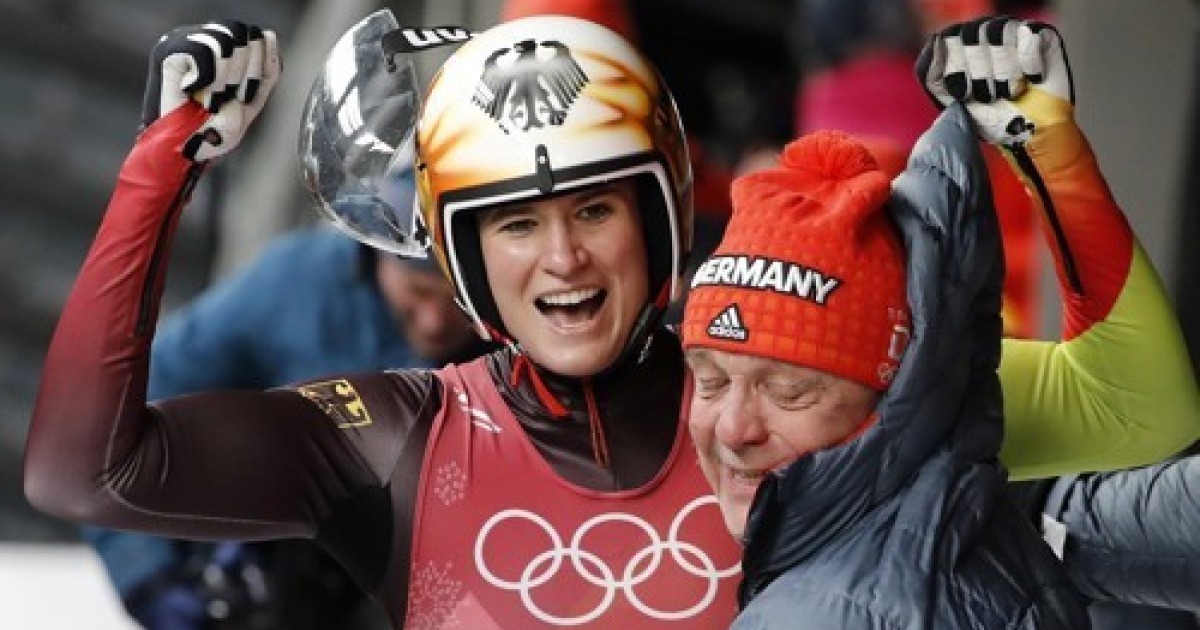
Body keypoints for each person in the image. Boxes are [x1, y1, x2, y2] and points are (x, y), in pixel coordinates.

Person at [22, 14, 1198, 629]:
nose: (565, 257)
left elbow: (1133, 413)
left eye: (594, 208)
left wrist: (1049, 147)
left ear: (661, 211)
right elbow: (88, 472)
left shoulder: (781, 364)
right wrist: (156, 174)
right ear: (465, 255)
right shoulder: (398, 436)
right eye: (515, 224)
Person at [681, 112, 1087, 626]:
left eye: (788, 391)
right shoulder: (976, 529)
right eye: (711, 381)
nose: (733, 429)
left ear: (896, 388)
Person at [82, 226, 492, 630]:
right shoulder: (293, 285)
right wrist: (148, 577)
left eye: (457, 300)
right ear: (376, 252)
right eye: (417, 291)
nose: (435, 322)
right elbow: (117, 425)